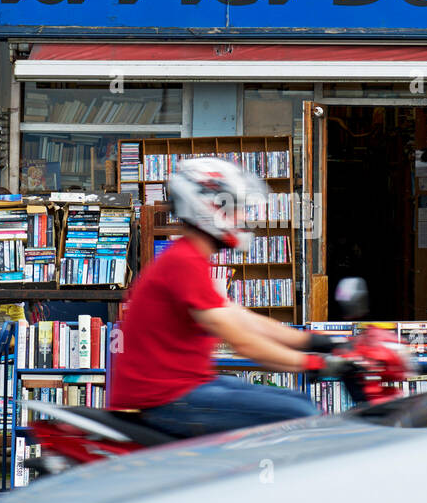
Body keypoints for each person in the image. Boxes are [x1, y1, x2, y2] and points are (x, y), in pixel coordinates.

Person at [109, 157, 356, 438]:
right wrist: (317, 364)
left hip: (185, 387)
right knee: (302, 414)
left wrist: (318, 341)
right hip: (166, 399)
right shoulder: (184, 262)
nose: (241, 218)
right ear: (208, 208)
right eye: (234, 207)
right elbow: (243, 341)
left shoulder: (190, 258)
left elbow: (244, 319)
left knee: (300, 402)